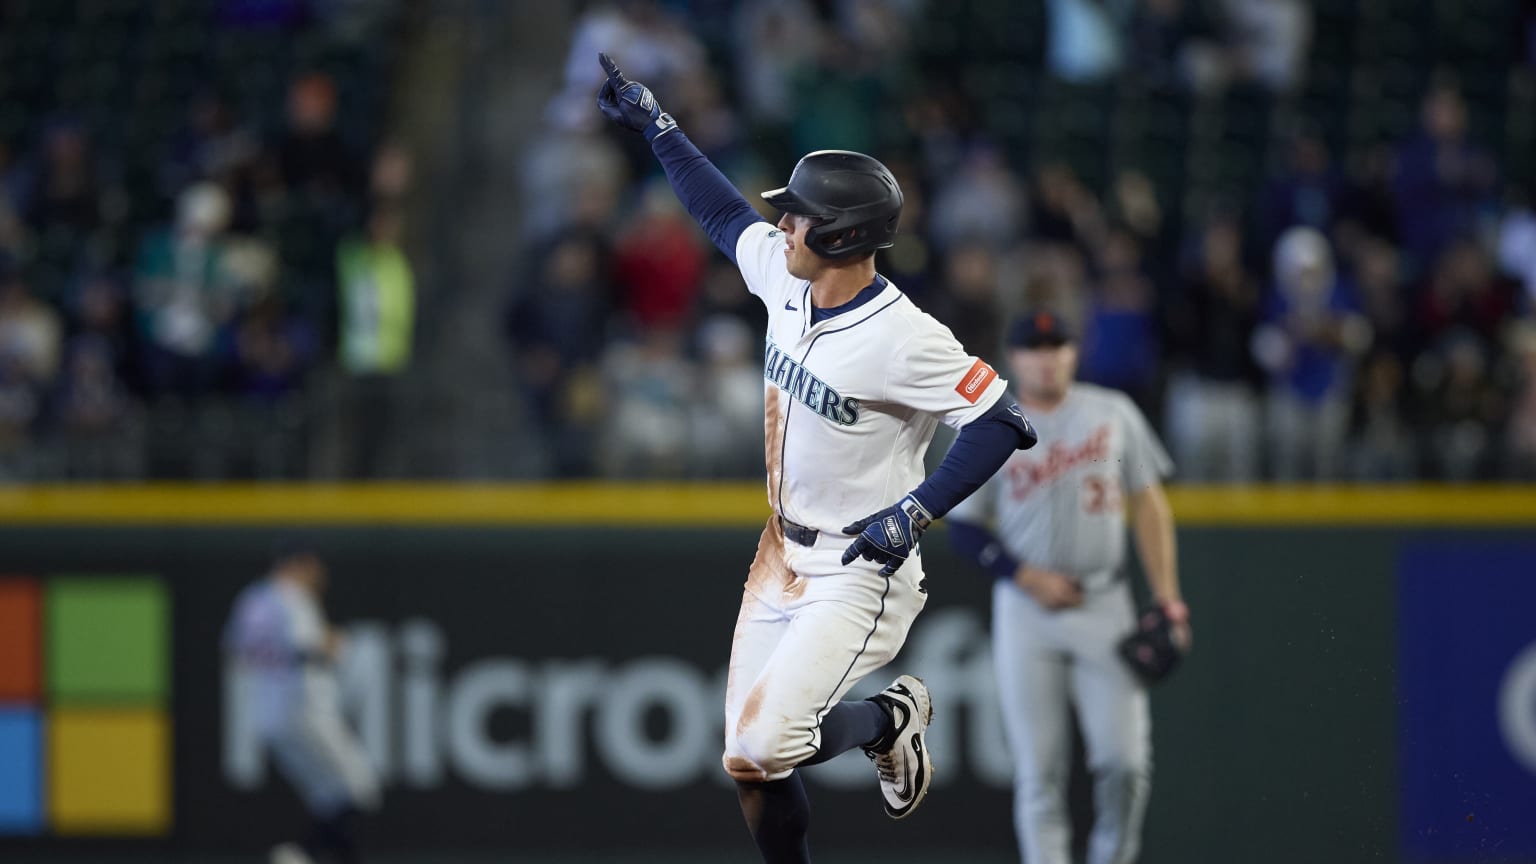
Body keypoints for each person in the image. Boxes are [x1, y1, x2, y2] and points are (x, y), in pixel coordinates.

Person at [596, 53, 1038, 862]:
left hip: (858, 567)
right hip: (780, 549)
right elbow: (723, 214)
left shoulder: (904, 337)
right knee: (749, 763)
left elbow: (1002, 418)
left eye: (798, 217)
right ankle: (878, 734)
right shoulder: (787, 277)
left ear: (840, 234)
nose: (783, 226)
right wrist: (658, 127)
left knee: (768, 743)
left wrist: (917, 510)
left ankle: (887, 719)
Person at [947, 311, 1189, 864]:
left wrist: (1169, 600)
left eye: (1057, 345)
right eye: (1034, 347)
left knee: (1125, 764)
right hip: (1027, 609)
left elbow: (1149, 504)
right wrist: (1026, 576)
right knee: (1039, 773)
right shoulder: (988, 423)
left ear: (1074, 352)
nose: (1047, 357)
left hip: (1104, 603)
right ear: (1014, 357)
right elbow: (963, 526)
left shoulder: (1112, 412)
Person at [224, 542, 378, 864]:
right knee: (359, 783)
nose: (318, 575)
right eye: (313, 567)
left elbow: (237, 651)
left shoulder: (252, 599)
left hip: (268, 714)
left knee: (329, 795)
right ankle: (299, 853)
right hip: (304, 709)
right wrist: (335, 643)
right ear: (298, 564)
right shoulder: (292, 597)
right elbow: (308, 648)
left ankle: (309, 855)